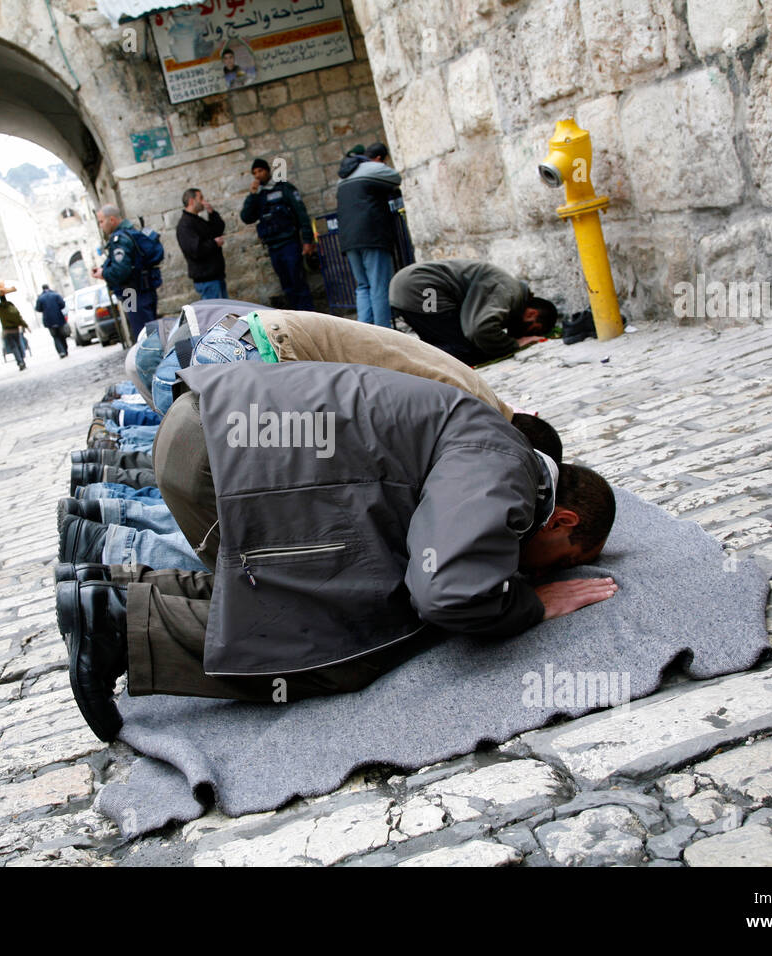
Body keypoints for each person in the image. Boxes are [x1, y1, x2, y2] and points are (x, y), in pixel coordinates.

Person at [57, 360, 617, 740]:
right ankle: (119, 630)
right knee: (340, 643)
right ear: (561, 519)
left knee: (271, 594)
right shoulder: (503, 465)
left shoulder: (486, 439)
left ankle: (113, 598)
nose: (559, 569)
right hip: (225, 459)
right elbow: (447, 592)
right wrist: (531, 604)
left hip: (203, 426)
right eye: (566, 557)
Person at [389, 259, 558, 367]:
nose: (529, 334)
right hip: (423, 289)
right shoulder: (509, 292)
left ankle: (407, 362)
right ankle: (403, 362)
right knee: (466, 350)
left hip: (412, 288)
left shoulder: (508, 289)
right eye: (534, 330)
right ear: (531, 314)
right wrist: (516, 344)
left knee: (445, 343)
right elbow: (479, 330)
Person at [335, 143, 402, 328]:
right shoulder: (374, 168)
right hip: (372, 234)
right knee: (379, 285)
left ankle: (363, 331)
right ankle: (383, 333)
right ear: (380, 158)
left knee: (363, 286)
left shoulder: (342, 178)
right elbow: (396, 178)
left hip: (349, 239)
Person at [240, 158, 315, 310]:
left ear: (267, 171)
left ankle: (308, 316)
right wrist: (252, 195)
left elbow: (301, 214)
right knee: (287, 286)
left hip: (290, 244)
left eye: (260, 171)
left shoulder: (284, 188)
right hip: (274, 247)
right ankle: (296, 320)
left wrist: (307, 240)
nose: (258, 176)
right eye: (255, 173)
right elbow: (246, 217)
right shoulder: (258, 195)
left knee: (298, 282)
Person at [92, 204, 159, 342]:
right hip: (142, 288)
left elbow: (120, 270)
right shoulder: (132, 231)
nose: (100, 226)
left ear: (112, 220)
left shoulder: (120, 239)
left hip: (131, 292)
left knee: (143, 335)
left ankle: (150, 363)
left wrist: (103, 274)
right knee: (149, 330)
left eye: (101, 221)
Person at [176, 189, 227, 300]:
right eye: (201, 198)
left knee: (224, 313)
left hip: (215, 277)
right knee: (216, 315)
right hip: (207, 280)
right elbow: (195, 250)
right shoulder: (185, 224)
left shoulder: (197, 220)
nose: (203, 201)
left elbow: (217, 230)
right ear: (191, 201)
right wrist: (214, 244)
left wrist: (212, 213)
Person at [0, 294, 29, 371]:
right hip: (16, 330)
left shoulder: (0, 309)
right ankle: (22, 360)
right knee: (19, 345)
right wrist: (25, 325)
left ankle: (20, 362)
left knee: (14, 347)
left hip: (7, 331)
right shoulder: (12, 307)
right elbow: (19, 318)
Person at [35, 283, 70, 358]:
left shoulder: (40, 298)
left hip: (49, 321)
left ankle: (61, 352)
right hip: (59, 318)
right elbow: (63, 304)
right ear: (48, 287)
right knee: (62, 335)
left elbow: (38, 309)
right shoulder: (56, 295)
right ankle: (65, 350)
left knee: (55, 336)